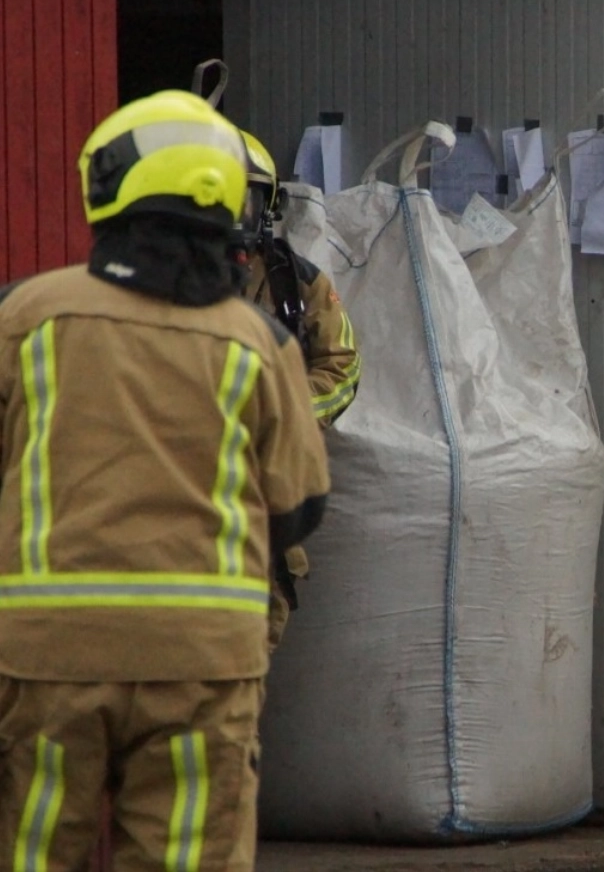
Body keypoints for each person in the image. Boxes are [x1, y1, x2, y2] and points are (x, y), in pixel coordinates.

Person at [0, 90, 330, 871]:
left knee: (37, 850)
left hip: (49, 657)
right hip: (203, 660)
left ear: (109, 186)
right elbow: (302, 505)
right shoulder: (259, 340)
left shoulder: (25, 315)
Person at [237, 129, 360, 649]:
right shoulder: (150, 283)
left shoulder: (296, 282)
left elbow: (342, 367)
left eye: (242, 198)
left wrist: (284, 415)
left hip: (263, 509)